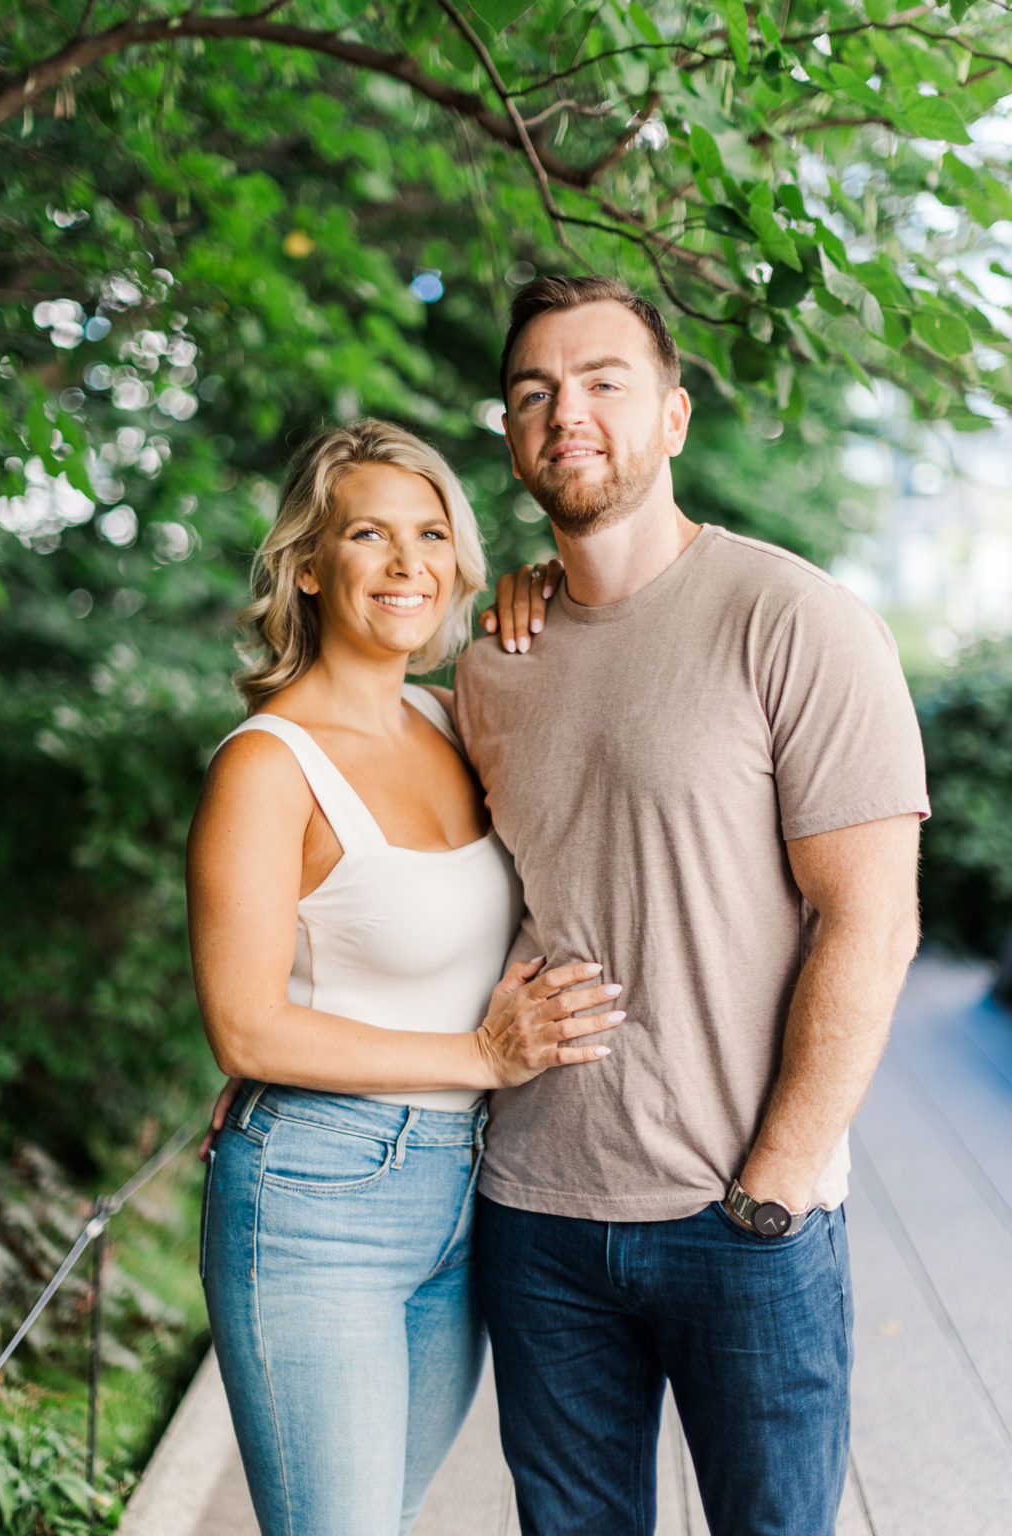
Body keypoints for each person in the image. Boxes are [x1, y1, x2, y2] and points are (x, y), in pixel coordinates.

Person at [454, 275, 930, 1536]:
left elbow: (872, 922)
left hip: (743, 1222)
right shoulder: (487, 663)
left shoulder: (797, 621)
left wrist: (772, 1185)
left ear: (671, 416)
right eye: (534, 392)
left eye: (605, 382)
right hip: (536, 1212)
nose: (569, 413)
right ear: (508, 434)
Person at [186, 418, 622, 1536]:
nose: (404, 563)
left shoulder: (448, 716)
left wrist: (537, 588)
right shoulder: (268, 767)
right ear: (309, 566)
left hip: (463, 1195)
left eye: (430, 534)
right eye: (367, 535)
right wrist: (479, 1056)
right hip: (316, 1200)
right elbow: (244, 1028)